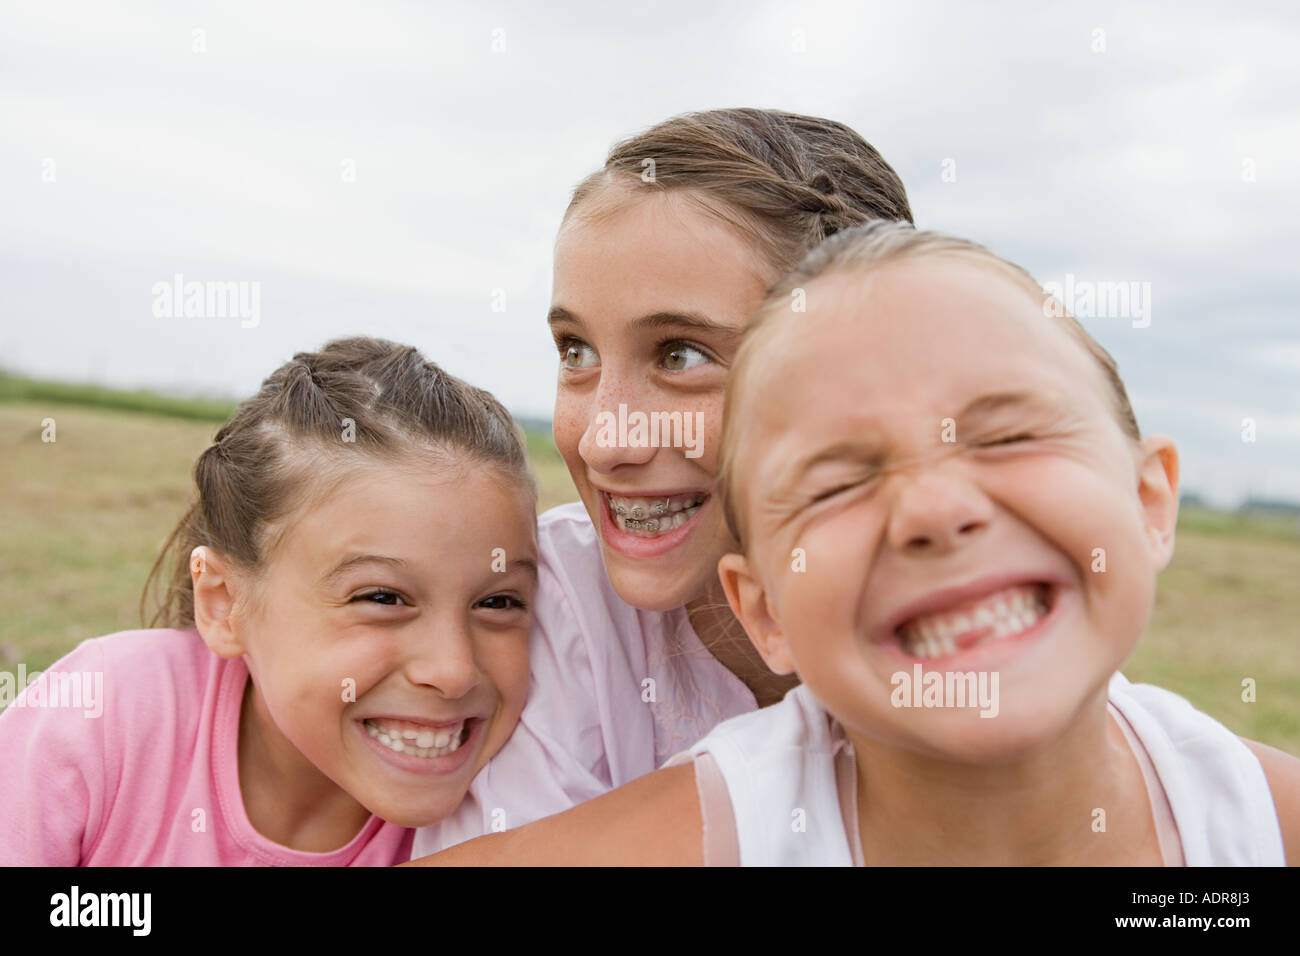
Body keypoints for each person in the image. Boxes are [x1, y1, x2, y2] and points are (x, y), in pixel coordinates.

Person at [413, 221, 1300, 865]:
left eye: (1005, 436)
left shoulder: (1259, 827)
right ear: (765, 611)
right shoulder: (721, 836)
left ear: (1149, 500)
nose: (932, 510)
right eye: (837, 483)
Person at [412, 108, 914, 853]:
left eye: (680, 356)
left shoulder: (964, 609)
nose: (604, 440)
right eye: (575, 351)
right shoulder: (547, 601)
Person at [0, 337, 540, 865]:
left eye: (497, 603)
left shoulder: (514, 805)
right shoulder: (101, 713)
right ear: (224, 602)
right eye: (382, 596)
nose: (452, 671)